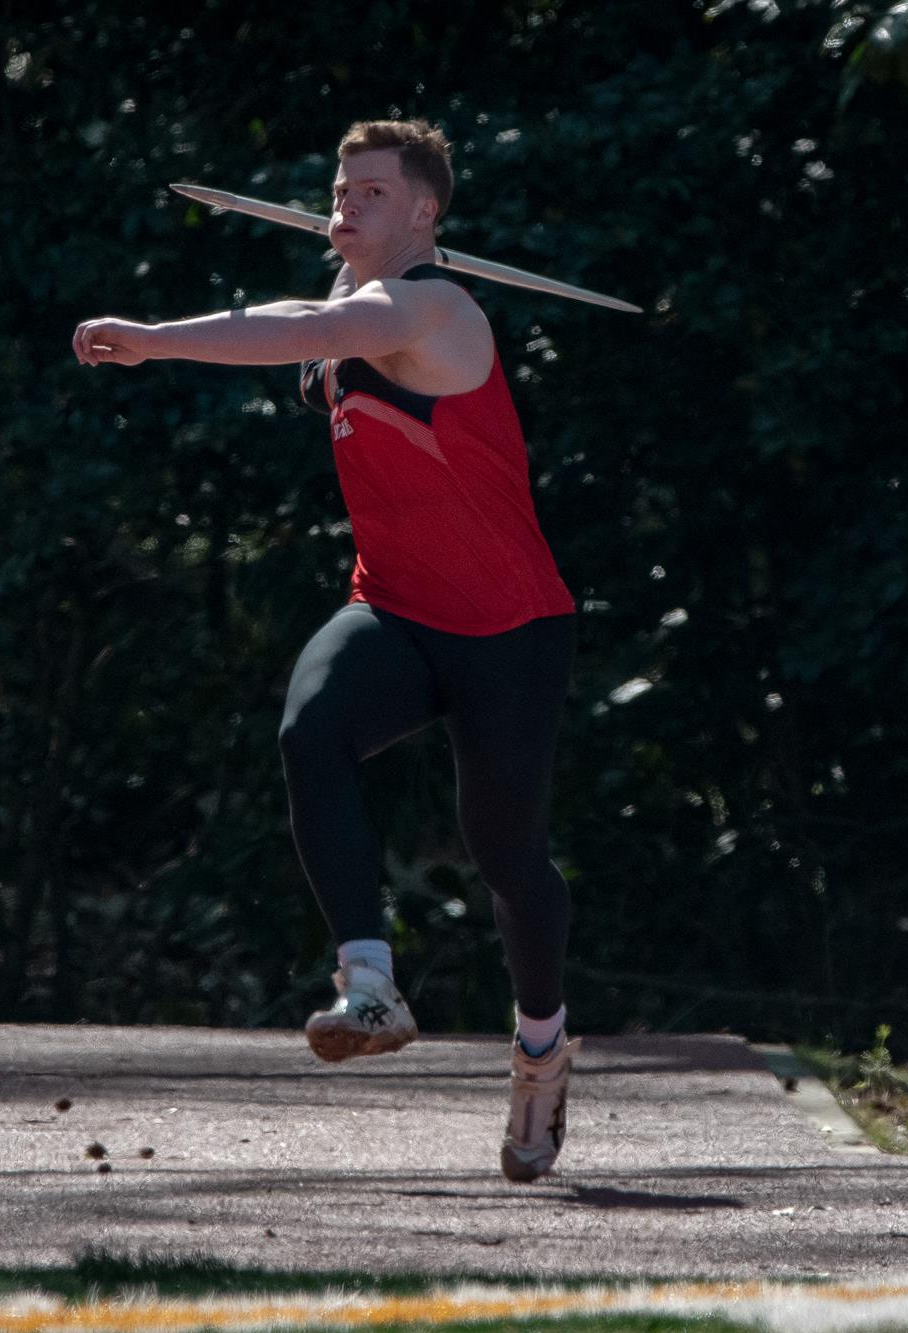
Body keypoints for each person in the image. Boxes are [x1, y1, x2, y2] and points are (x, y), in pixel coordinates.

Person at [71, 118, 577, 1184]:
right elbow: (321, 332)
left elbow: (313, 322)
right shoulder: (357, 316)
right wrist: (329, 302)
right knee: (311, 730)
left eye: (375, 193)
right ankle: (369, 982)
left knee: (508, 860)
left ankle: (540, 1050)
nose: (345, 203)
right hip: (393, 610)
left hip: (509, 631)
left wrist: (157, 337)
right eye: (339, 190)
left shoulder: (430, 306)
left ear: (426, 212)